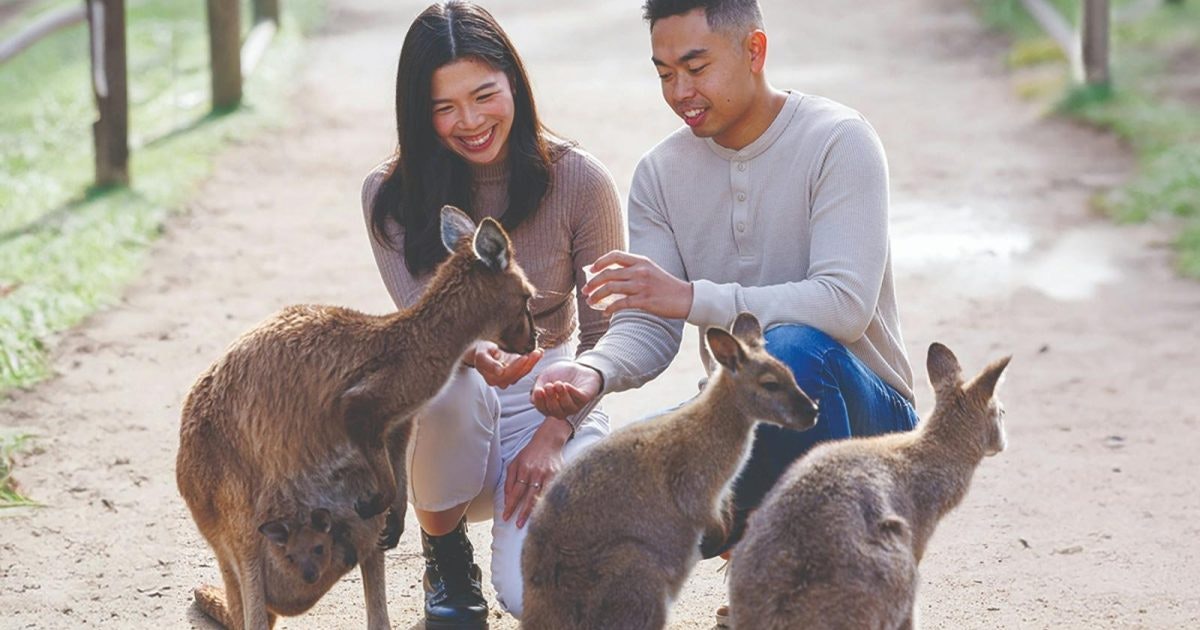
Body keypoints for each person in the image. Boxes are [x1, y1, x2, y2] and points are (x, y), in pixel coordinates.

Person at [531, 0, 919, 624]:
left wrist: (691, 297)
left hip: (865, 420)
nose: (680, 92)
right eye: (663, 73)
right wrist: (594, 373)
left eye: (696, 67)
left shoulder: (839, 141)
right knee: (607, 480)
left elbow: (843, 306)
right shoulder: (660, 174)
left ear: (755, 51)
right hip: (741, 420)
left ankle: (808, 591)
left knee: (793, 350)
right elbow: (651, 323)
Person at [361, 2, 623, 626]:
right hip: (454, 407)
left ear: (515, 84)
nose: (470, 121)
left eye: (484, 95)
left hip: (555, 394)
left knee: (547, 600)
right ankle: (445, 554)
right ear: (418, 114)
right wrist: (478, 355)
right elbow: (423, 330)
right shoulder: (390, 195)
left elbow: (608, 335)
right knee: (447, 382)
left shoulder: (579, 181)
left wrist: (555, 428)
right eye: (443, 107)